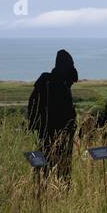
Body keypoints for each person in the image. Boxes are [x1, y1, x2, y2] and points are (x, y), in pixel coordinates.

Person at [28, 49, 78, 180]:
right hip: (55, 132)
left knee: (43, 168)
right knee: (58, 168)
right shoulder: (54, 83)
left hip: (47, 133)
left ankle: (40, 189)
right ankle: (52, 191)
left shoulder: (47, 82)